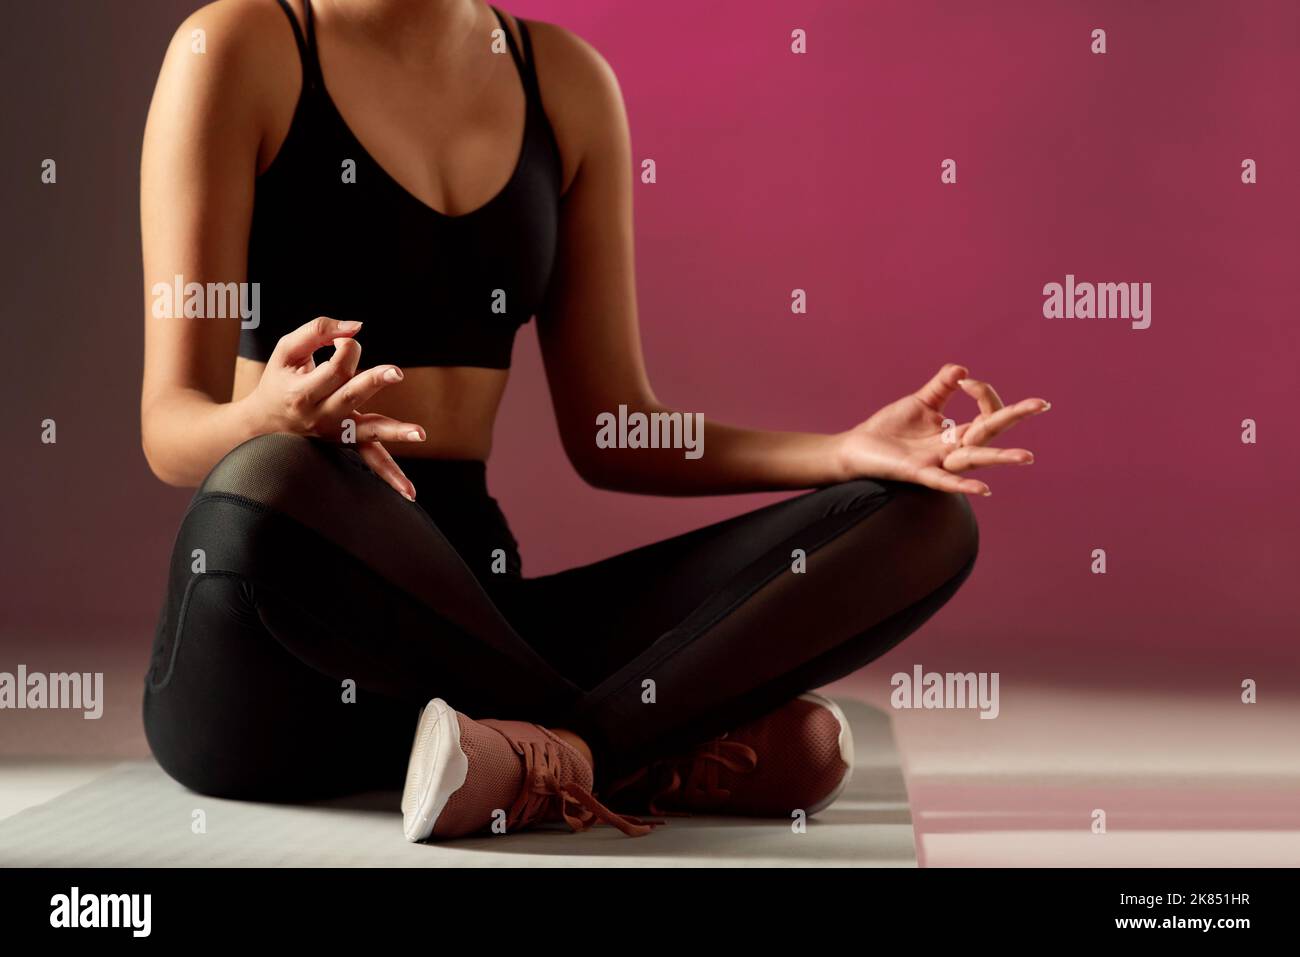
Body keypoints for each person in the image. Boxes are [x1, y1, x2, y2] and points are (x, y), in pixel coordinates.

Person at [139, 0, 1049, 841]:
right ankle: (634, 743)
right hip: (277, 647)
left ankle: (548, 753)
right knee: (275, 475)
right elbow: (169, 425)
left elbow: (616, 427)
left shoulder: (563, 81)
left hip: (475, 626)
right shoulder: (238, 49)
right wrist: (269, 415)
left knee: (923, 519)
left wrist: (842, 450)